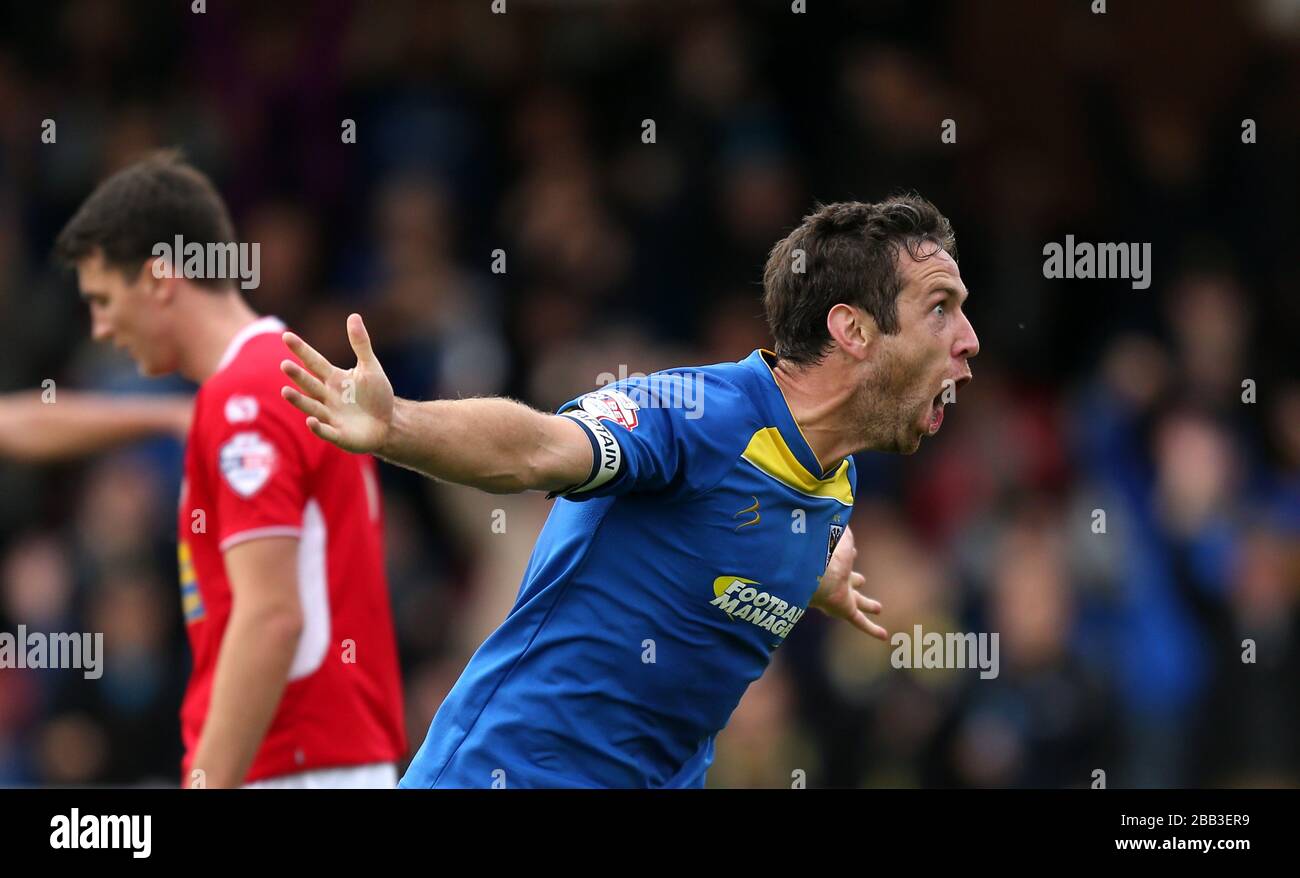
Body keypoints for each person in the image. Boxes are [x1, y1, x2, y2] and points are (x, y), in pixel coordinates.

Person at [281, 196, 979, 788]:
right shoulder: (693, 413)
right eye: (940, 308)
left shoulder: (834, 483)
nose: (970, 340)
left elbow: (730, 549)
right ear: (852, 330)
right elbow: (538, 450)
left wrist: (815, 580)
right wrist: (396, 422)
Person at [52, 151, 405, 788]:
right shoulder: (277, 377)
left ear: (160, 279)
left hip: (294, 764)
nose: (100, 328)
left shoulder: (246, 395)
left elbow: (271, 618)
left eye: (103, 300)